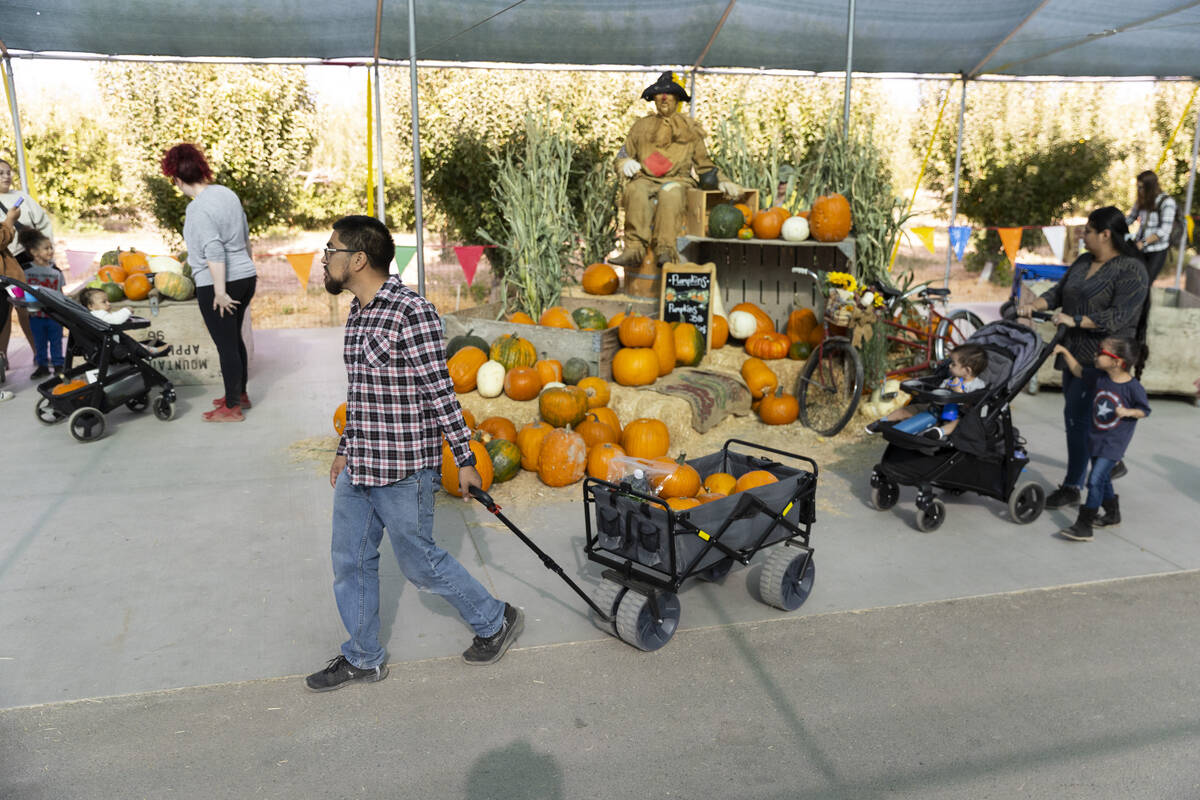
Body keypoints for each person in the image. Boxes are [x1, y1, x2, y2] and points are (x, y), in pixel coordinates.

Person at [306, 215, 522, 693]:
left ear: (357, 259)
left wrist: (465, 459)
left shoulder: (412, 312)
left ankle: (495, 619)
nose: (325, 258)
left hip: (403, 470)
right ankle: (363, 657)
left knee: (420, 564)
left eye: (331, 249)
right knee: (350, 561)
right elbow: (361, 391)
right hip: (361, 465)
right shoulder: (358, 312)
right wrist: (344, 448)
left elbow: (440, 391)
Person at [1017, 206, 1148, 509]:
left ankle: (1080, 484)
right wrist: (1035, 305)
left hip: (1104, 359)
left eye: (1088, 231)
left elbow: (1118, 316)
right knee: (1077, 419)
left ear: (1105, 234)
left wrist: (1075, 320)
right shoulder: (1084, 261)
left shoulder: (1131, 270)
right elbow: (1059, 292)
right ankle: (1098, 470)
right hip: (1073, 350)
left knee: (1084, 422)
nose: (1082, 235)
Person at [160, 143, 256, 422]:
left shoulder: (198, 209)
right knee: (234, 338)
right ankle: (239, 395)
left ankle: (232, 408)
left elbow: (213, 249)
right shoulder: (226, 194)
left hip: (219, 284)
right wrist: (247, 268)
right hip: (245, 276)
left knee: (226, 345)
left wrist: (220, 292)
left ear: (176, 178)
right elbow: (245, 234)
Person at [611, 72, 742, 267]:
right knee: (634, 189)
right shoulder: (640, 126)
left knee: (670, 193)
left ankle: (665, 249)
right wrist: (625, 163)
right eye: (660, 94)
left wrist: (722, 181)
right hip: (646, 179)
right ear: (653, 98)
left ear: (677, 98)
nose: (664, 98)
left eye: (669, 94)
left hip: (678, 180)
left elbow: (705, 164)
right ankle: (634, 249)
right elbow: (622, 155)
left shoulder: (690, 129)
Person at [1051, 337, 1149, 542]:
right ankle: (1112, 514)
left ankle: (1084, 525)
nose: (1096, 355)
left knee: (1094, 480)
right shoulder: (1099, 377)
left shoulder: (1132, 387)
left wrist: (1128, 412)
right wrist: (1065, 352)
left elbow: (1144, 410)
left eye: (1101, 352)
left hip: (1113, 443)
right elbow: (1078, 371)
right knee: (1102, 479)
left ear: (1117, 362)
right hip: (1095, 437)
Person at [865, 343, 988, 440]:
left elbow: (974, 408)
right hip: (936, 409)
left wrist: (959, 394)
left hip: (957, 415)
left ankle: (939, 432)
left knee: (961, 423)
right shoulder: (950, 379)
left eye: (953, 364)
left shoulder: (978, 386)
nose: (949, 366)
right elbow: (938, 392)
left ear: (967, 370)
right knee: (913, 408)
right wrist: (942, 390)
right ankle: (882, 422)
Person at [17, 229, 65, 379]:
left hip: (54, 315)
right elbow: (19, 289)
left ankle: (58, 365)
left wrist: (63, 309)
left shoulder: (56, 271)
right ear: (34, 252)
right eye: (46, 248)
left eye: (51, 247)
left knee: (56, 341)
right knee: (39, 342)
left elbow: (60, 292)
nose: (50, 251)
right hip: (35, 315)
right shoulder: (25, 270)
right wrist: (20, 303)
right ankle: (42, 366)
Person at [0, 197, 37, 377]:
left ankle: (38, 353)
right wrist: (10, 220)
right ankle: (3, 357)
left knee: (23, 309)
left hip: (11, 278)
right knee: (4, 318)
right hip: (6, 280)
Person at [78, 287, 170, 356]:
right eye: (104, 302)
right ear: (91, 306)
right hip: (113, 349)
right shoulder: (98, 314)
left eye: (108, 301)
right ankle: (150, 351)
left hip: (107, 345)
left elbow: (111, 317)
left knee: (125, 338)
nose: (109, 303)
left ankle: (146, 348)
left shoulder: (92, 316)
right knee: (127, 341)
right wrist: (127, 310)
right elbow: (115, 320)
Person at [0, 157, 54, 267]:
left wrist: (45, 251)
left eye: (8, 173)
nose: (6, 176)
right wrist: (10, 220)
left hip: (33, 258)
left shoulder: (22, 196)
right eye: (1, 173)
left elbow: (44, 224)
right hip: (7, 264)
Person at [1125, 170, 1177, 285]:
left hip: (1157, 250)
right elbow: (1130, 219)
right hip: (1140, 249)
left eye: (1141, 187)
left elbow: (1164, 230)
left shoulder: (1167, 202)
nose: (1139, 190)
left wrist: (1143, 242)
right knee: (1133, 281)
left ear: (1150, 187)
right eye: (1137, 187)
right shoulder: (1141, 201)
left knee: (1146, 283)